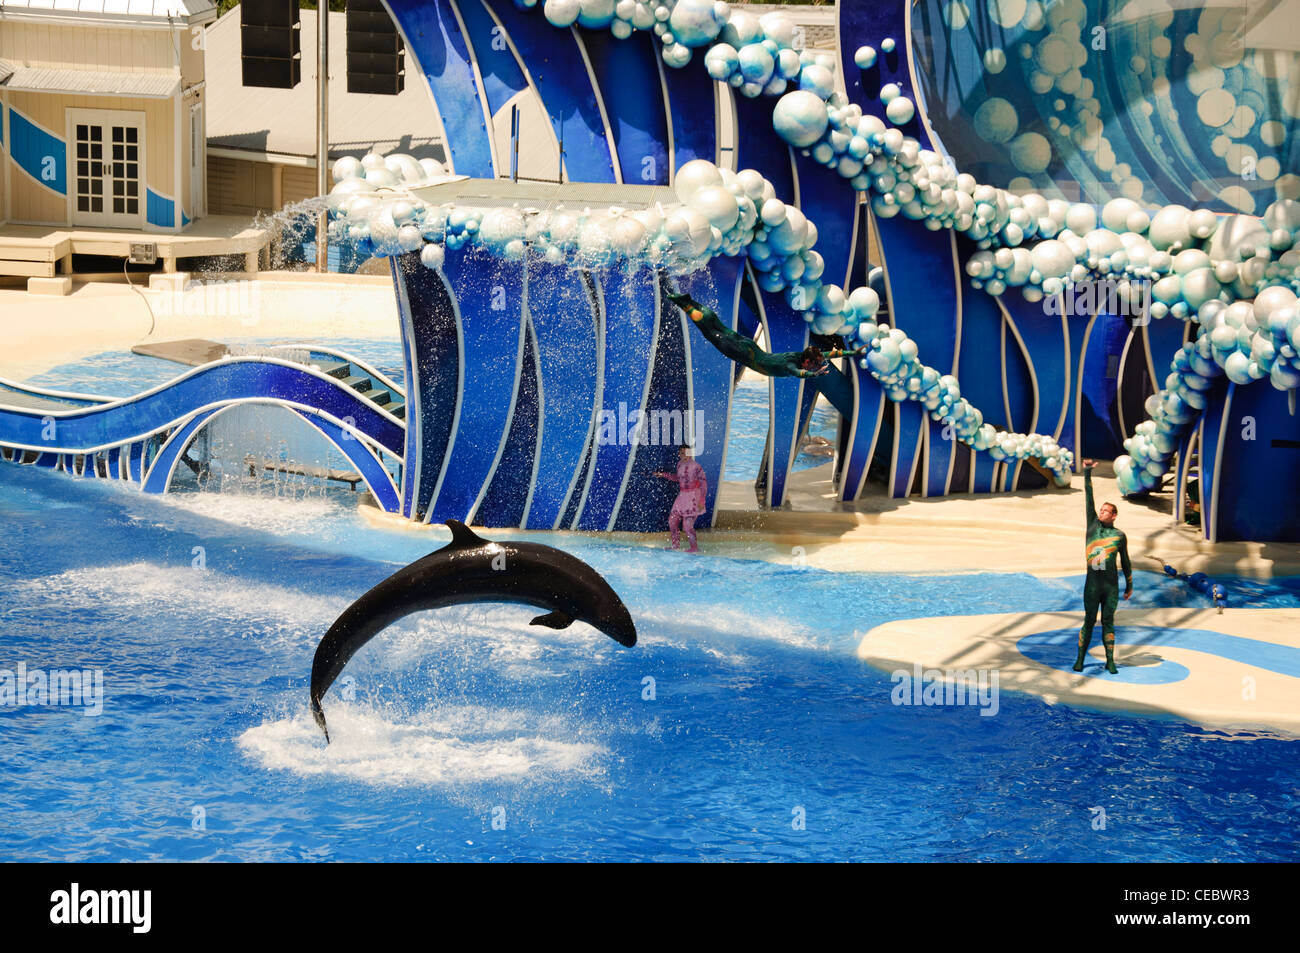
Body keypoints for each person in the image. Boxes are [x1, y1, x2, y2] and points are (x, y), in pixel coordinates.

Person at [665, 290, 829, 379]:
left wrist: (852, 353)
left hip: (750, 347)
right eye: (813, 364)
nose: (814, 366)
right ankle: (685, 305)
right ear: (807, 361)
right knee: (710, 332)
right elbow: (798, 373)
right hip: (742, 352)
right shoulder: (790, 365)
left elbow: (828, 354)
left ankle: (691, 302)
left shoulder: (798, 356)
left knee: (719, 326)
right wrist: (813, 374)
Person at [1075, 460, 1133, 674]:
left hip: (1110, 587)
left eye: (1105, 511)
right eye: (1101, 510)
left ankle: (1110, 660)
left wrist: (1129, 585)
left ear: (1114, 515)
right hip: (1092, 585)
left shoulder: (1119, 536)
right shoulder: (1092, 527)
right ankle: (1080, 659)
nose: (1101, 513)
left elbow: (1125, 561)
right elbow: (1088, 497)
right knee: (1088, 621)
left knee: (1108, 621)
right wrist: (1088, 472)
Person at [654, 446, 707, 553]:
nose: (685, 455)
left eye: (687, 452)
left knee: (687, 526)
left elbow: (703, 484)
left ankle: (694, 547)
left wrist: (701, 501)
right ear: (679, 454)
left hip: (693, 497)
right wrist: (663, 475)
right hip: (682, 496)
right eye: (682, 453)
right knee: (672, 521)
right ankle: (675, 545)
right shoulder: (679, 465)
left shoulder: (696, 467)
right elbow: (677, 478)